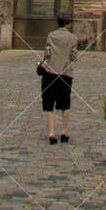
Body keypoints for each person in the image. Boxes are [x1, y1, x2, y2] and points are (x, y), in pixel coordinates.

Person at [39, 14, 78, 144]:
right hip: (65, 74)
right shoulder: (73, 38)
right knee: (65, 103)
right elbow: (73, 57)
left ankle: (51, 133)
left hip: (50, 73)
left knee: (49, 104)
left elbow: (47, 53)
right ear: (68, 23)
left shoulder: (51, 35)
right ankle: (64, 132)